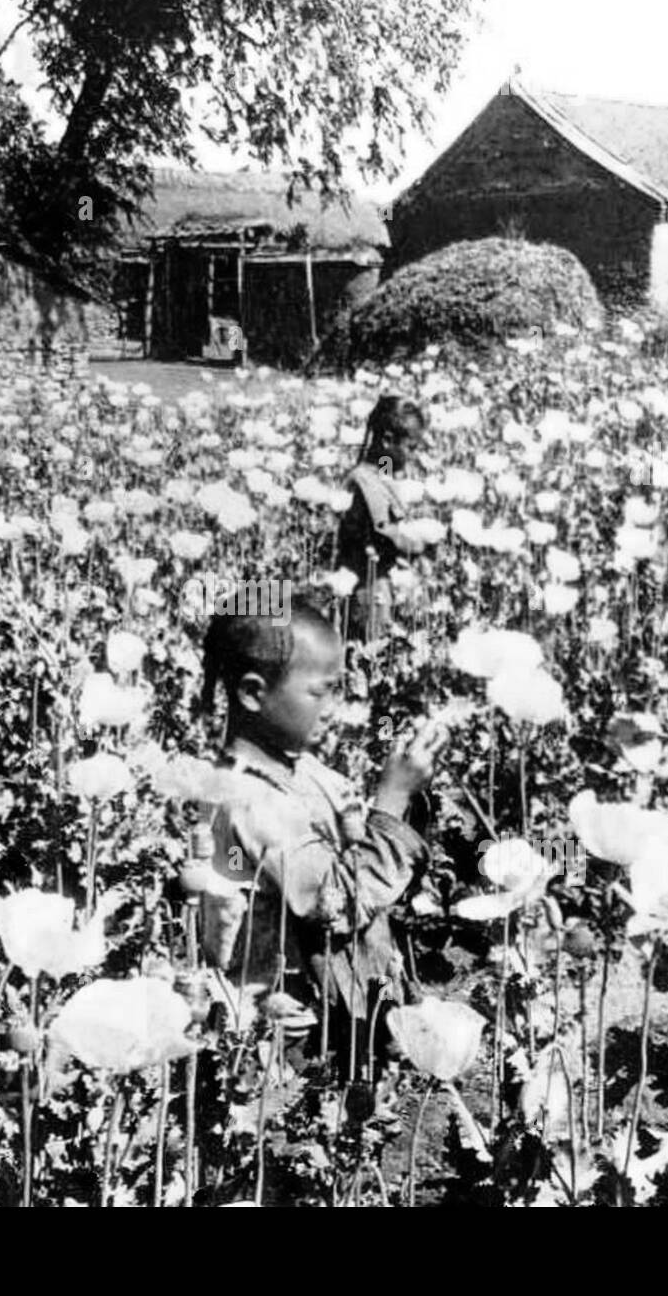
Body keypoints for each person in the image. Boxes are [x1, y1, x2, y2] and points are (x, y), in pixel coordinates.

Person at [196, 592, 448, 1076]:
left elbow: (365, 866)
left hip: (335, 1010)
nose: (335, 706)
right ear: (252, 692)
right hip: (285, 1046)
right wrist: (392, 799)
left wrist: (408, 793)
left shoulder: (304, 771)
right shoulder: (249, 801)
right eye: (321, 691)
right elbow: (336, 904)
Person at [336, 395, 431, 641]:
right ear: (388, 440)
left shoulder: (382, 466)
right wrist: (422, 543)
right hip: (367, 585)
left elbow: (390, 485)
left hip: (384, 578)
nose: (414, 456)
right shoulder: (363, 481)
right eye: (411, 447)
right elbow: (383, 533)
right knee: (371, 644)